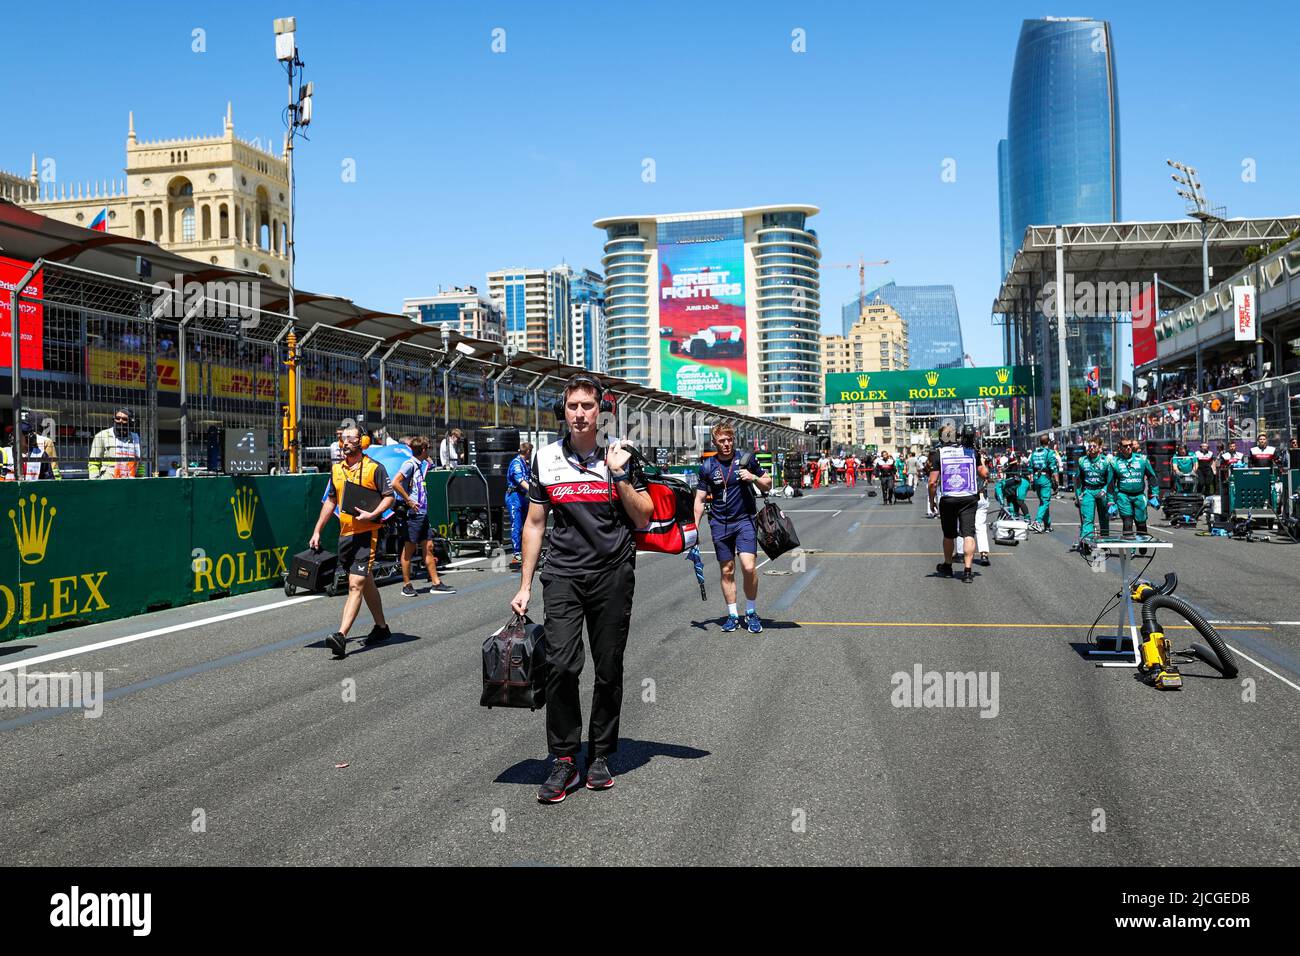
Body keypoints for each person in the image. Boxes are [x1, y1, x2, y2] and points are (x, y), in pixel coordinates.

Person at [511, 374, 654, 803]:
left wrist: (621, 476)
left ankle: (602, 754)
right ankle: (564, 758)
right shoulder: (545, 458)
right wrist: (525, 585)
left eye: (587, 406)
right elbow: (535, 524)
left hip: (612, 574)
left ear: (600, 412)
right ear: (564, 411)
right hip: (563, 577)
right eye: (572, 406)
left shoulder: (622, 455)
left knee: (608, 668)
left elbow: (644, 516)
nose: (579, 414)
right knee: (561, 666)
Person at [310, 426, 396, 658]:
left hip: (367, 533)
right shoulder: (336, 469)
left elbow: (390, 497)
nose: (345, 442)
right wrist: (317, 530)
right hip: (345, 534)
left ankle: (340, 635)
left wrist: (372, 514)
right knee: (366, 580)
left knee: (355, 583)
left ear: (363, 441)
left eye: (351, 438)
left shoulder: (374, 468)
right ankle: (381, 628)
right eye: (343, 438)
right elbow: (330, 501)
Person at [693, 423, 773, 634]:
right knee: (727, 570)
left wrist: (753, 477)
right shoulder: (708, 466)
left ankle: (751, 611)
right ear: (715, 442)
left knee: (748, 567)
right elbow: (700, 500)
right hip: (719, 524)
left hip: (745, 520)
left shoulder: (746, 459)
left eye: (729, 440)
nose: (727, 444)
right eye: (722, 441)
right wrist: (694, 529)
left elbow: (768, 482)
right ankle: (732, 615)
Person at [391, 435, 455, 597]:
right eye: (428, 449)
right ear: (424, 449)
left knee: (429, 547)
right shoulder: (409, 464)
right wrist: (409, 501)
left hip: (422, 514)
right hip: (412, 515)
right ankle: (406, 585)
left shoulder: (420, 465)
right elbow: (395, 482)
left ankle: (436, 583)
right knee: (409, 550)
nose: (430, 452)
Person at [930, 424, 989, 583]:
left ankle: (948, 567)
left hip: (949, 498)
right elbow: (985, 474)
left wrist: (931, 501)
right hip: (969, 497)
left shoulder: (939, 454)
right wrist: (981, 460)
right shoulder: (971, 452)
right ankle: (968, 571)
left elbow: (932, 483)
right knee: (969, 534)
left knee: (949, 535)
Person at [1109, 437, 1158, 539]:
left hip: (1139, 495)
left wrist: (1154, 494)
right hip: (1123, 495)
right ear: (1120, 448)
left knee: (1141, 522)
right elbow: (1111, 484)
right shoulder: (1114, 462)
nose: (1128, 448)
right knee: (1127, 521)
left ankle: (1143, 543)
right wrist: (1110, 501)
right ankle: (1129, 550)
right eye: (1125, 446)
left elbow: (1152, 477)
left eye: (1130, 445)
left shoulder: (1142, 459)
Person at [1075, 438, 1113, 541]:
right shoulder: (1082, 460)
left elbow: (1110, 480)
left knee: (1104, 519)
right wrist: (1078, 495)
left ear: (1099, 448)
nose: (1091, 448)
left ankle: (1105, 541)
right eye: (1090, 446)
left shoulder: (1106, 461)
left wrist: (1106, 492)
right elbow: (1078, 480)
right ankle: (1087, 541)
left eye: (1094, 446)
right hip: (1088, 491)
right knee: (1087, 519)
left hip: (1102, 490)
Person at [87, 409, 142, 479]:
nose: (120, 421)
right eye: (117, 418)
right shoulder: (102, 435)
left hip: (130, 482)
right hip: (108, 482)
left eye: (124, 419)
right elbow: (93, 463)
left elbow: (140, 464)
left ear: (130, 422)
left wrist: (140, 480)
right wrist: (95, 483)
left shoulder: (136, 438)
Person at [506, 441, 534, 567]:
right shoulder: (516, 463)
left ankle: (526, 550)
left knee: (527, 524)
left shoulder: (525, 464)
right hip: (514, 496)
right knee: (516, 525)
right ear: (528, 452)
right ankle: (516, 554)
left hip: (522, 497)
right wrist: (533, 491)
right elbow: (520, 480)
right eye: (531, 452)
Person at [1027, 435, 1061, 532]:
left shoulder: (1034, 453)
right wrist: (1057, 482)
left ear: (1040, 442)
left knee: (1043, 502)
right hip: (1045, 478)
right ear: (1048, 442)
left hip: (1036, 479)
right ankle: (1037, 522)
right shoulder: (1049, 453)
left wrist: (1032, 481)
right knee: (1045, 502)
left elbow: (1030, 468)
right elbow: (1053, 468)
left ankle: (1047, 525)